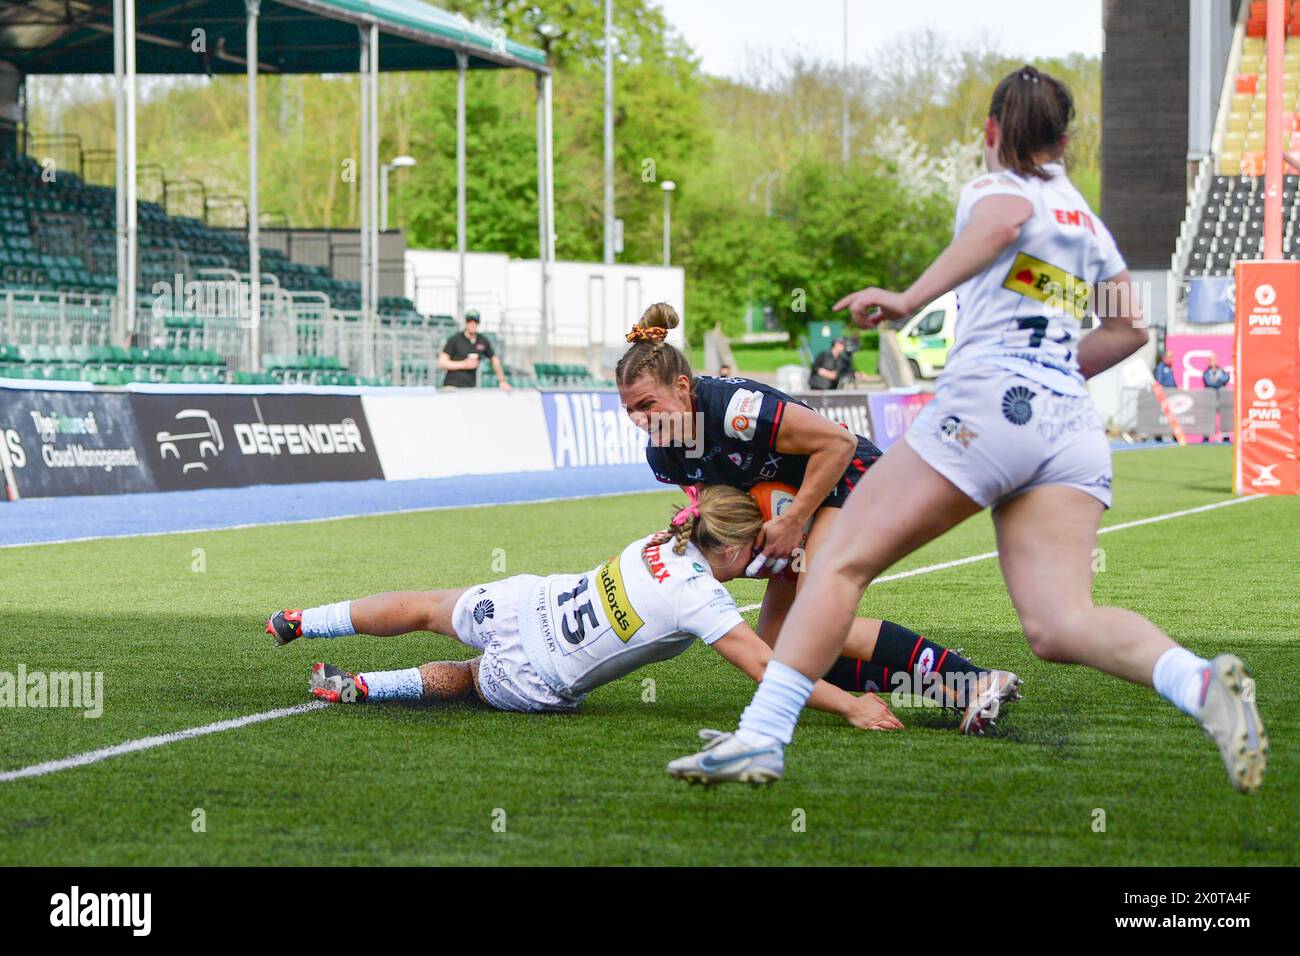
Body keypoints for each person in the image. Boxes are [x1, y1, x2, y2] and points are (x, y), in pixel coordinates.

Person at [667, 65, 1268, 792]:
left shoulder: (996, 187)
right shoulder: (1091, 227)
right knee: (1059, 625)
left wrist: (906, 296)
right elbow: (1128, 330)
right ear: (1067, 140)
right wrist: (1049, 371)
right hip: (1069, 427)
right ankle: (1199, 683)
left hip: (989, 407)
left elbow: (1003, 223)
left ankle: (761, 737)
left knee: (836, 565)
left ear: (991, 133)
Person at [616, 303, 1020, 733]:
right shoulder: (665, 453)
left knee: (814, 621)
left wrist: (793, 522)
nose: (641, 420)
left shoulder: (736, 409)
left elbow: (839, 445)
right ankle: (950, 687)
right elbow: (722, 511)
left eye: (647, 404)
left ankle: (975, 681)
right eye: (629, 411)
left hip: (849, 477)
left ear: (681, 386)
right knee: (781, 649)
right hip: (796, 508)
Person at [262, 486, 902, 730]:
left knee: (423, 604)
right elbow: (767, 668)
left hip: (526, 604)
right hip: (542, 672)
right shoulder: (700, 598)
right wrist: (852, 705)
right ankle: (363, 688)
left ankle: (302, 619)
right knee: (462, 679)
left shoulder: (666, 538)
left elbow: (714, 550)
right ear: (731, 549)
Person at [438, 311, 511, 390]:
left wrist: (502, 381)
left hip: (470, 387)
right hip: (452, 385)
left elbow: (494, 360)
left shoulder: (483, 341)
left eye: (475, 322)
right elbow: (441, 363)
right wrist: (464, 364)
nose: (473, 324)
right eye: (470, 321)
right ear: (466, 323)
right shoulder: (455, 339)